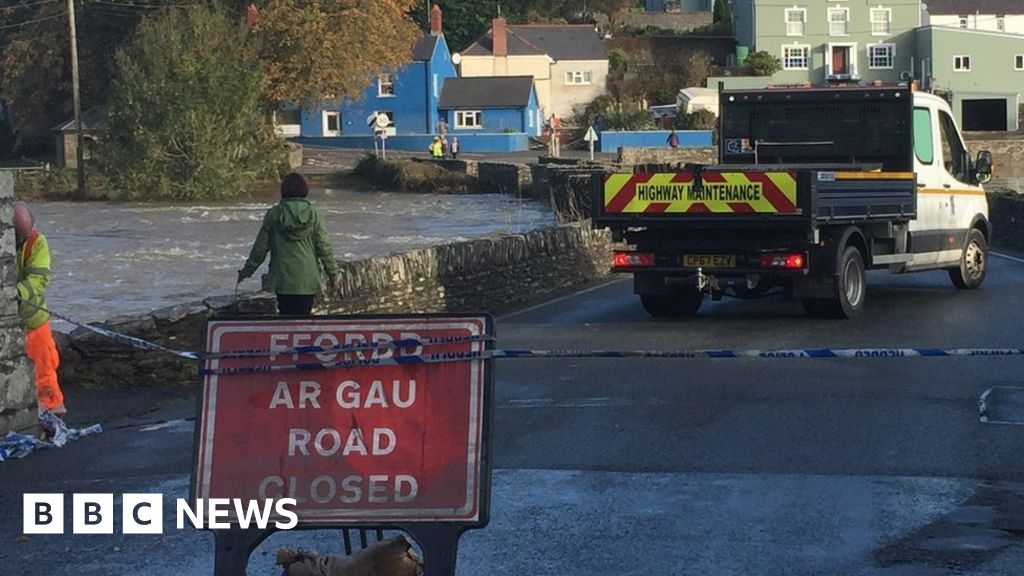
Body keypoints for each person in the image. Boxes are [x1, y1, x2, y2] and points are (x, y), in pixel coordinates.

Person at [238, 173, 341, 315]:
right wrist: (333, 275)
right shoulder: (314, 215)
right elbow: (324, 248)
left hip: (282, 280)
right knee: (303, 319)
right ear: (305, 190)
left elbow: (260, 248)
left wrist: (247, 271)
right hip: (307, 280)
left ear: (283, 191)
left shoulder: (274, 214)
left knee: (286, 318)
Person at [14, 203, 66, 415]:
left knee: (44, 372)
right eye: (18, 235)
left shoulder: (37, 242)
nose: (20, 240)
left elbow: (39, 279)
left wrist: (16, 293)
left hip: (34, 321)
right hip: (13, 321)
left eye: (23, 235)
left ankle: (54, 412)